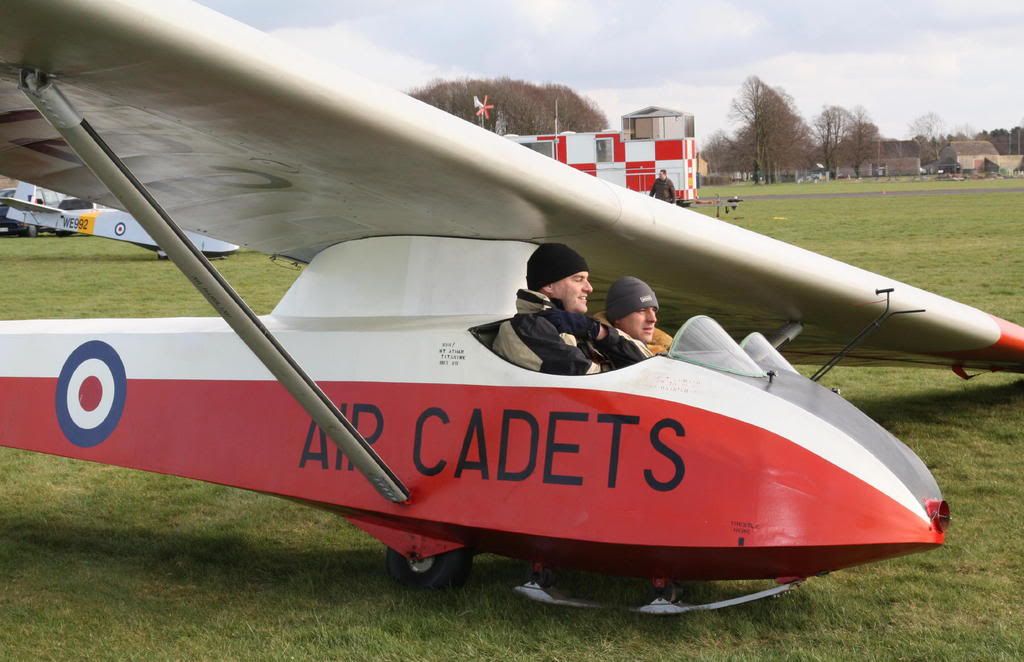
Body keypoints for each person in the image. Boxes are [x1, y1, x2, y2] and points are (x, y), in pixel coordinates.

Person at [493, 243, 650, 375]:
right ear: (549, 285)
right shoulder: (525, 328)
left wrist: (600, 332)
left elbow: (648, 366)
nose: (589, 288)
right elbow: (591, 380)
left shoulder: (578, 326)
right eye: (579, 279)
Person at [597, 276, 672, 355]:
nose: (653, 319)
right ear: (617, 317)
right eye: (642, 310)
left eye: (654, 310)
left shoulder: (670, 352)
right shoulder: (599, 356)